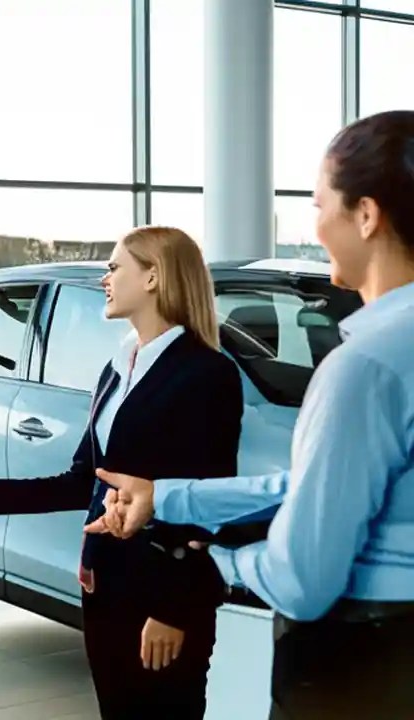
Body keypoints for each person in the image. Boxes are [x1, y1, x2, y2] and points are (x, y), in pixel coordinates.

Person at [86, 110, 414, 719]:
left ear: (365, 215)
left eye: (319, 206)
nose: (314, 227)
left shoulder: (365, 366)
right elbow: (314, 486)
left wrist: (214, 564)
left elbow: (303, 579)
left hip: (367, 665)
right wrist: (169, 498)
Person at [0, 226, 244, 719]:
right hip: (105, 584)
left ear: (153, 277)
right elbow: (82, 479)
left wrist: (173, 609)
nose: (105, 278)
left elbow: (205, 501)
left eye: (115, 267)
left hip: (162, 599)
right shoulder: (117, 367)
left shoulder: (207, 373)